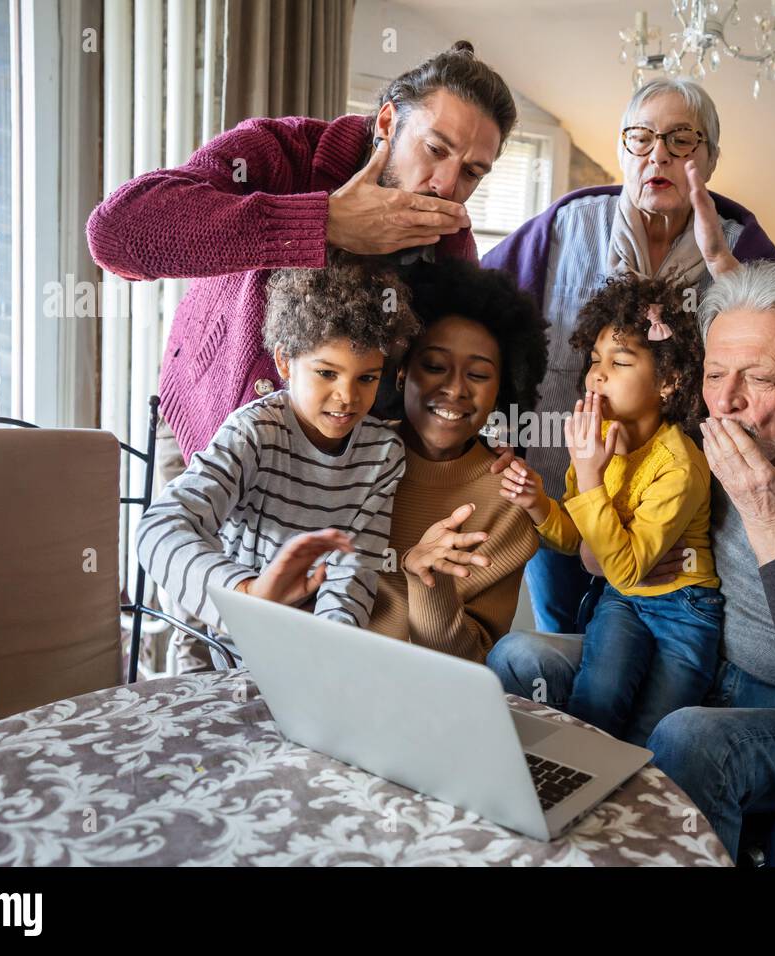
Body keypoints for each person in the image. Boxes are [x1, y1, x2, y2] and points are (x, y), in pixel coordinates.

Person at [488, 262, 775, 862]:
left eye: (759, 378)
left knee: (686, 736)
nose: (725, 402)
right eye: (716, 373)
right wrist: (614, 546)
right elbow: (600, 563)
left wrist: (770, 523)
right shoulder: (692, 442)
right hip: (668, 645)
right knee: (518, 656)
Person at [89, 41, 516, 670]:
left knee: (300, 648)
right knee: (206, 643)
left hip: (337, 471)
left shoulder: (448, 239)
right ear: (390, 122)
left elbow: (451, 360)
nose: (449, 187)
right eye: (436, 149)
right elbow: (118, 235)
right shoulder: (281, 154)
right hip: (221, 428)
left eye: (474, 171)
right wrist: (322, 223)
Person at [484, 77, 775, 634]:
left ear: (710, 158)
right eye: (640, 138)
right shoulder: (566, 225)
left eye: (682, 139)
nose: (658, 154)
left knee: (656, 655)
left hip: (678, 509)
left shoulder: (743, 247)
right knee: (564, 639)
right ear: (621, 151)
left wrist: (722, 270)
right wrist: (491, 432)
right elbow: (477, 312)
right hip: (566, 486)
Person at [136, 263, 418, 640]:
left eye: (366, 378)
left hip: (305, 647)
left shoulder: (383, 453)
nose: (347, 396)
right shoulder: (254, 431)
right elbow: (158, 530)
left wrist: (331, 649)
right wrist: (249, 595)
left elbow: (354, 572)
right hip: (222, 642)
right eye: (326, 373)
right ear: (285, 361)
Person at [498, 275, 721, 746]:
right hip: (623, 601)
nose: (597, 375)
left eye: (619, 362)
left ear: (669, 382)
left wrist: (590, 474)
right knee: (596, 702)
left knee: (654, 736)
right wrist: (538, 504)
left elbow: (622, 566)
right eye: (595, 361)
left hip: (685, 610)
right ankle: (581, 793)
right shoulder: (597, 446)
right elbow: (582, 543)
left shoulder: (680, 465)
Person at [365, 259, 548, 663]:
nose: (455, 389)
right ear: (401, 372)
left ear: (503, 391)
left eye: (479, 375)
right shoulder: (352, 457)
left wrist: (428, 581)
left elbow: (470, 661)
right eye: (434, 366)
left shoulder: (508, 503)